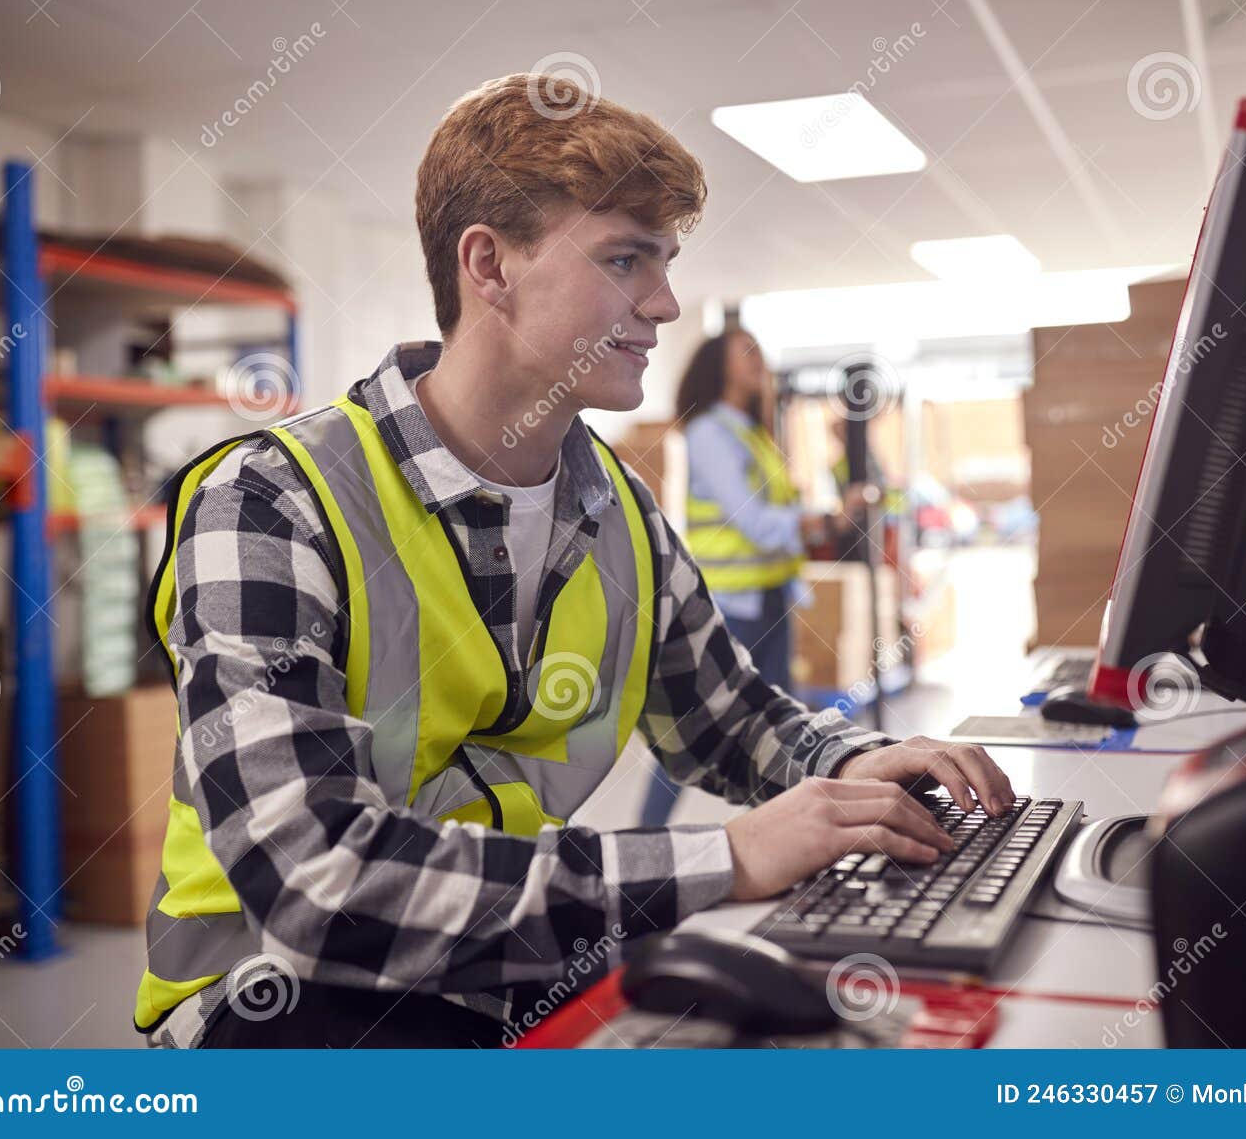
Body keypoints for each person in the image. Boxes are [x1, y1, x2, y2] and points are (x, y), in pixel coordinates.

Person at [133, 73, 1014, 1050]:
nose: (667, 302)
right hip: (282, 998)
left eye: (665, 261)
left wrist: (854, 769)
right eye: (626, 259)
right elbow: (317, 881)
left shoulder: (614, 507)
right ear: (489, 265)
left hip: (511, 955)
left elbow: (726, 717)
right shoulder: (270, 500)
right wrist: (725, 856)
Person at [637, 331, 864, 824]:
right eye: (747, 350)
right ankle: (647, 832)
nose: (759, 359)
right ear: (718, 364)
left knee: (784, 726)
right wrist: (822, 522)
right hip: (732, 605)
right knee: (694, 727)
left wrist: (826, 512)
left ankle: (794, 830)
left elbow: (782, 512)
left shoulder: (752, 432)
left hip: (770, 597)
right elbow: (754, 522)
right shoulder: (709, 433)